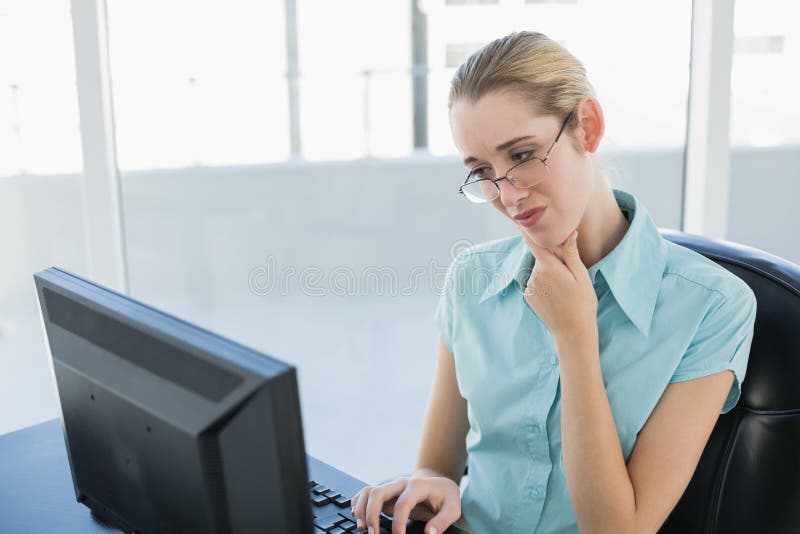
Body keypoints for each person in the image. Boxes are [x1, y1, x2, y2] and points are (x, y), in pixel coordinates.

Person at [350, 31, 758, 534]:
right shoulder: (471, 280)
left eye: (522, 154)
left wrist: (575, 338)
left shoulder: (713, 307)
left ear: (587, 127)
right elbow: (437, 463)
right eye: (482, 170)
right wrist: (431, 484)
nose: (508, 193)